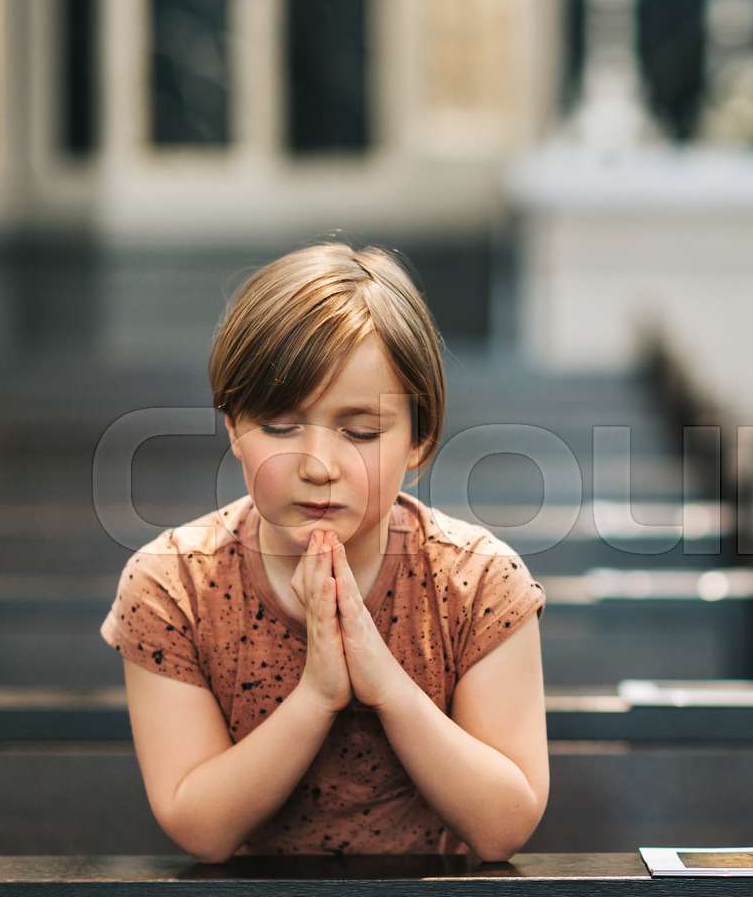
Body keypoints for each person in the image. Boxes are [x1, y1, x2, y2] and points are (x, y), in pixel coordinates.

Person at [99, 242, 547, 863]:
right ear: (232, 426)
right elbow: (200, 828)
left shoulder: (478, 582)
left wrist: (385, 684)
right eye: (280, 427)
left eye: (360, 432)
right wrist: (316, 696)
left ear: (420, 437)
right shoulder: (172, 586)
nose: (316, 465)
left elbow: (504, 826)